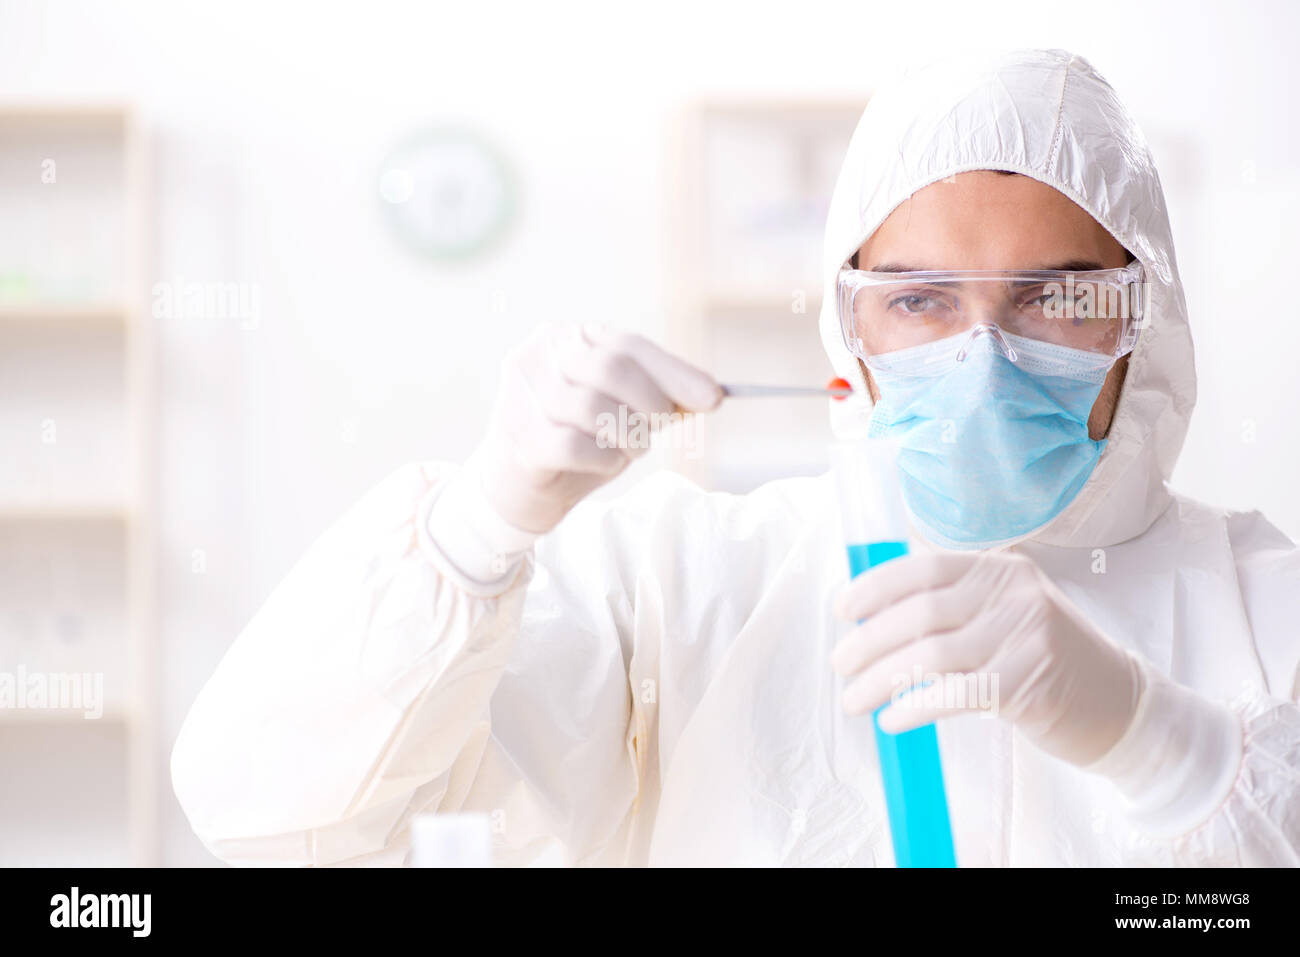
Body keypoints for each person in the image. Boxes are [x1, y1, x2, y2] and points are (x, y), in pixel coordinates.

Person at [171, 48, 1300, 866]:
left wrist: (1157, 740)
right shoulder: (681, 582)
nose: (983, 357)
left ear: (1141, 317)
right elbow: (277, 822)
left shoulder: (1263, 601)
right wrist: (477, 531)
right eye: (915, 300)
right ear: (847, 332)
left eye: (1058, 298)